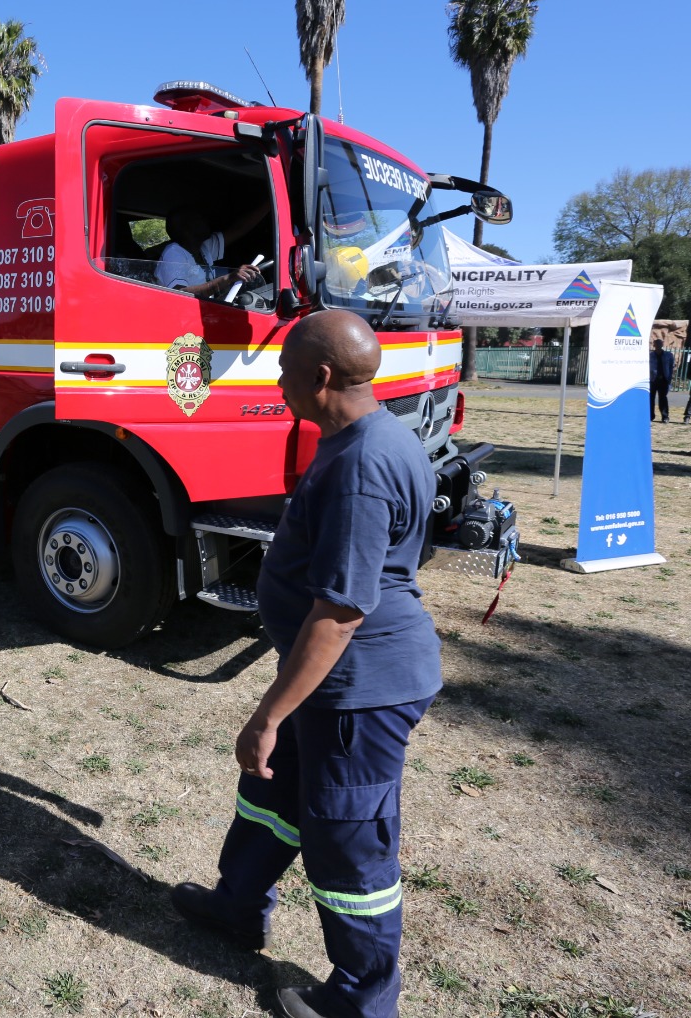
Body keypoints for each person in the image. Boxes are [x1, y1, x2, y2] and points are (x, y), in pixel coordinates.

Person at [170, 311, 439, 1018]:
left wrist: (268, 714)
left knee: (348, 842)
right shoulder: (370, 435)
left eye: (284, 369)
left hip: (358, 691)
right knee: (271, 795)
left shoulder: (360, 466)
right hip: (325, 681)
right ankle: (237, 907)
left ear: (319, 377)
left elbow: (342, 611)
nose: (277, 380)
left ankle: (361, 998)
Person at [156, 203, 270, 299]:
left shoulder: (204, 248)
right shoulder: (174, 252)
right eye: (199, 219)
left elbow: (238, 229)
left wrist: (270, 203)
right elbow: (180, 294)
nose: (206, 220)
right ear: (186, 229)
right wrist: (229, 278)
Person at [649, 338, 674, 423]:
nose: (658, 346)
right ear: (654, 345)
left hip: (663, 380)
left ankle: (665, 416)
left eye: (660, 344)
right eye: (657, 344)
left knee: (663, 399)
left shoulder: (668, 355)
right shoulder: (650, 355)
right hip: (652, 380)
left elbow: (671, 368)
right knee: (650, 399)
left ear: (662, 345)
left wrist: (669, 379)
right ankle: (650, 416)